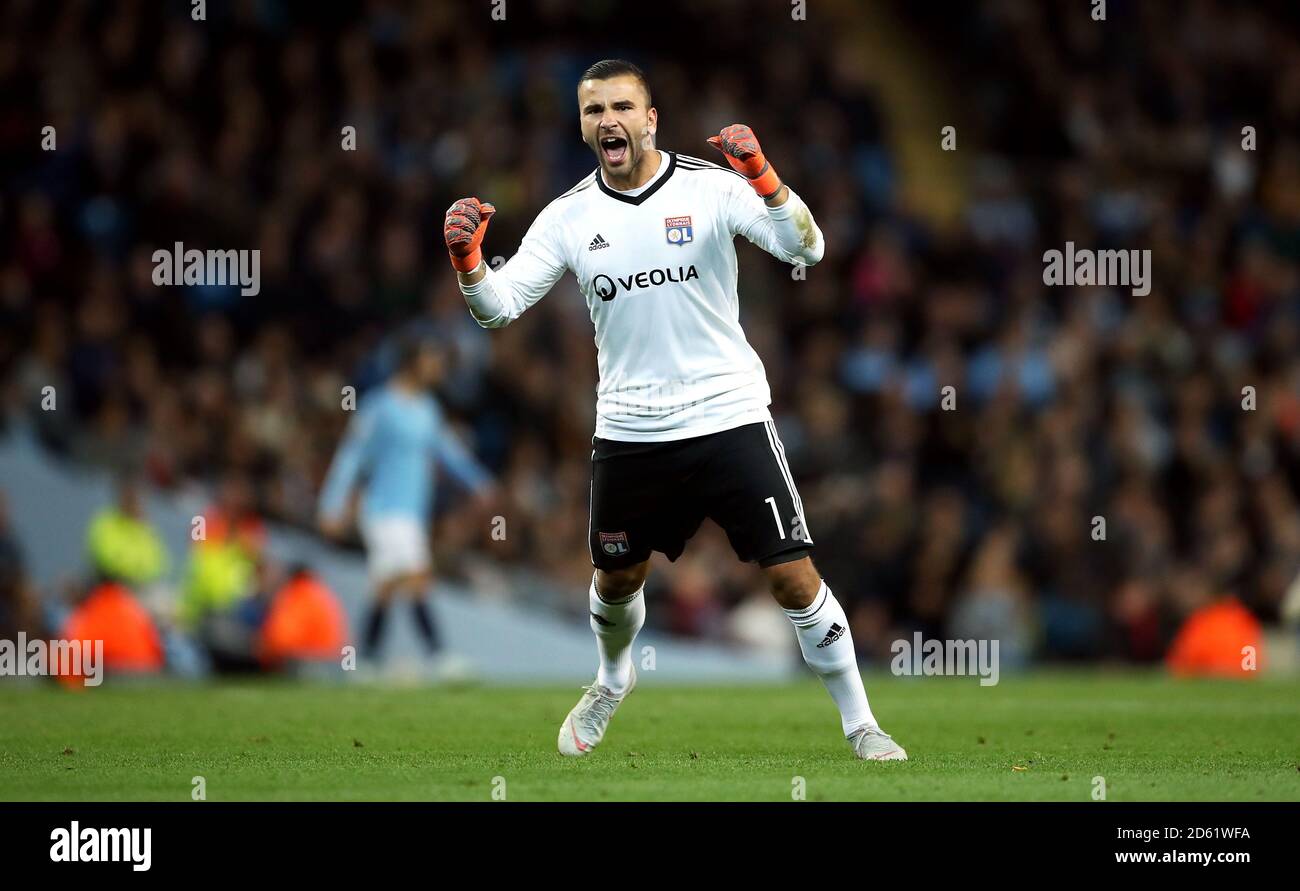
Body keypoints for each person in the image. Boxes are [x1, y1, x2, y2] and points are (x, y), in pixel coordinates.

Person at [444, 59, 906, 760]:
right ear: (583, 126)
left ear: (650, 118)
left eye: (622, 107)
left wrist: (766, 179)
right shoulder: (569, 216)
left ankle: (862, 723)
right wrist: (469, 264)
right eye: (594, 110)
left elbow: (805, 245)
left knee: (791, 573)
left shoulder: (712, 187)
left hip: (728, 413)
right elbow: (498, 309)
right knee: (615, 579)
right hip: (631, 428)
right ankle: (611, 677)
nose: (609, 122)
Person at [318, 335, 494, 670]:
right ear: (411, 362)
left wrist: (479, 481)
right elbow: (351, 456)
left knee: (385, 585)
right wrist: (332, 503)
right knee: (417, 576)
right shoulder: (378, 407)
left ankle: (365, 660)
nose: (438, 367)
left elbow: (449, 452)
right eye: (432, 359)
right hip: (383, 509)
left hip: (412, 512)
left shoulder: (428, 410)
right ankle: (439, 656)